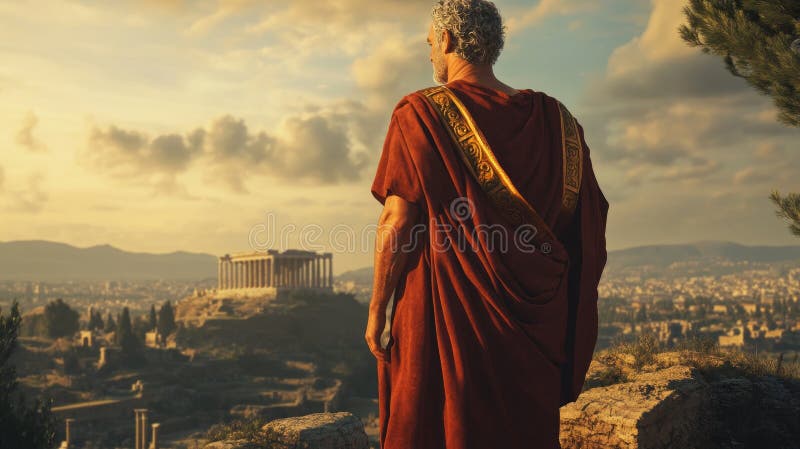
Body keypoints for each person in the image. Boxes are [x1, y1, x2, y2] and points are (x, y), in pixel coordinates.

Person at [364, 1, 609, 448]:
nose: (429, 52)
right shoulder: (560, 123)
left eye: (430, 42)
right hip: (534, 330)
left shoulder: (420, 114)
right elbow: (583, 232)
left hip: (448, 324)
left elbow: (397, 221)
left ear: (447, 39)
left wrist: (378, 308)